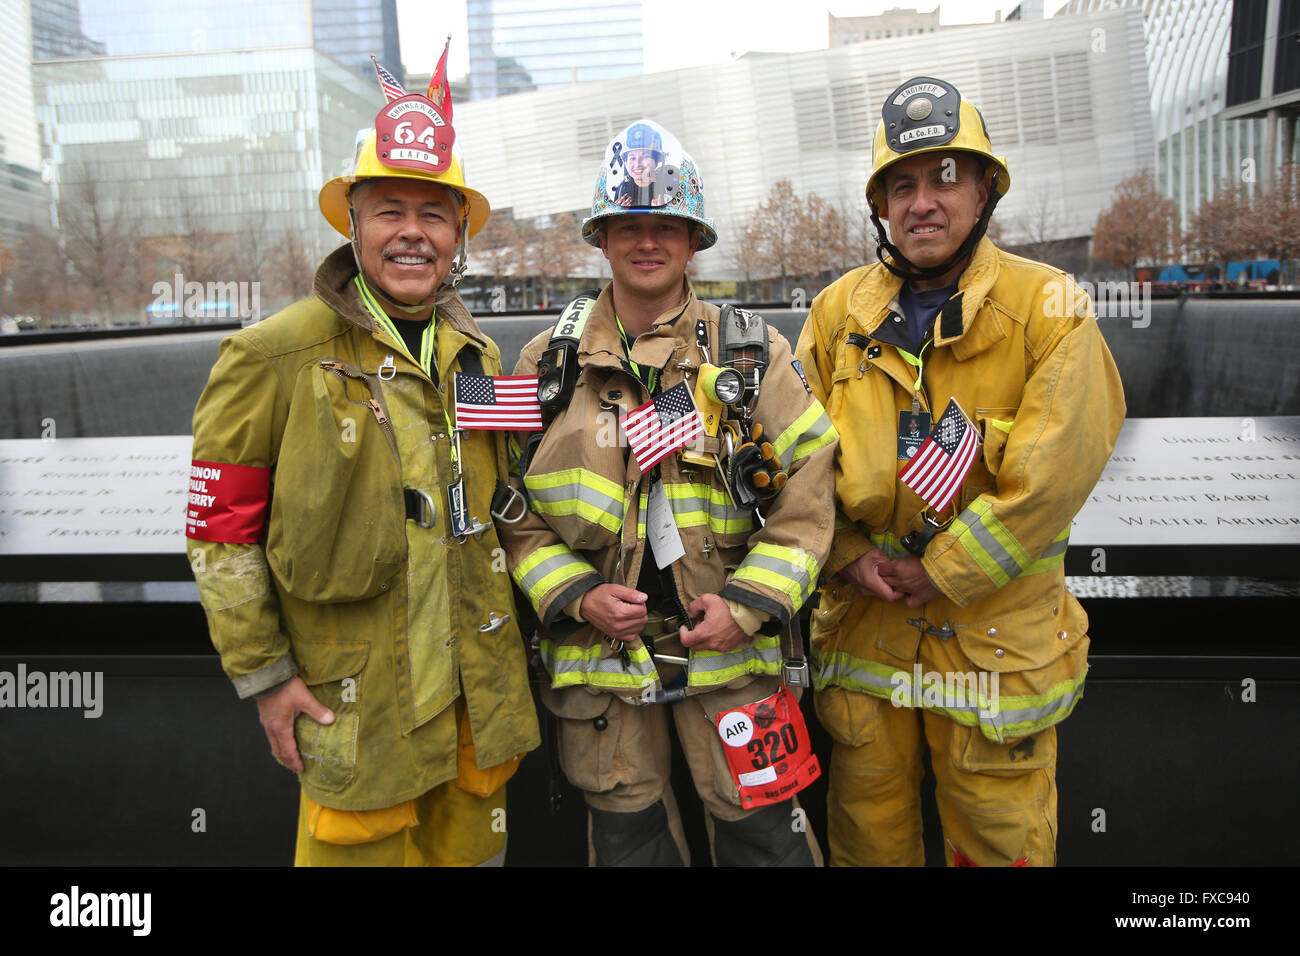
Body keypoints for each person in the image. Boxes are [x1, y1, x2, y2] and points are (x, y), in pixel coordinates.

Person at [186, 57, 539, 867]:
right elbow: (219, 535)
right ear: (353, 221)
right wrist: (266, 678)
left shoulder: (477, 354)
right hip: (357, 707)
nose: (412, 232)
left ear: (458, 234)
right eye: (389, 211)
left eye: (434, 214)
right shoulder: (269, 356)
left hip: (471, 711)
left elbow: (497, 509)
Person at [794, 76, 1125, 867]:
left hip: (995, 653)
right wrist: (847, 554)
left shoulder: (1053, 308)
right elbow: (792, 463)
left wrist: (942, 570)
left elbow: (1050, 480)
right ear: (880, 207)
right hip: (867, 641)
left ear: (984, 192)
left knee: (999, 841)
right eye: (901, 185)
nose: (923, 202)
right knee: (868, 842)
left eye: (946, 177)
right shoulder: (836, 316)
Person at [498, 119, 838, 866]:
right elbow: (513, 515)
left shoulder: (752, 353)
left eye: (667, 225)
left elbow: (810, 502)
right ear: (603, 237)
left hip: (739, 668)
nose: (646, 241)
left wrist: (747, 606)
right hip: (604, 681)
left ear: (693, 241)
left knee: (766, 845)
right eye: (629, 224)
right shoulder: (545, 363)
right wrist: (580, 594)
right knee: (629, 847)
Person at [614, 121, 669, 207]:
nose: (637, 164)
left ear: (657, 160)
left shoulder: (668, 188)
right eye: (632, 158)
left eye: (645, 157)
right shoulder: (621, 190)